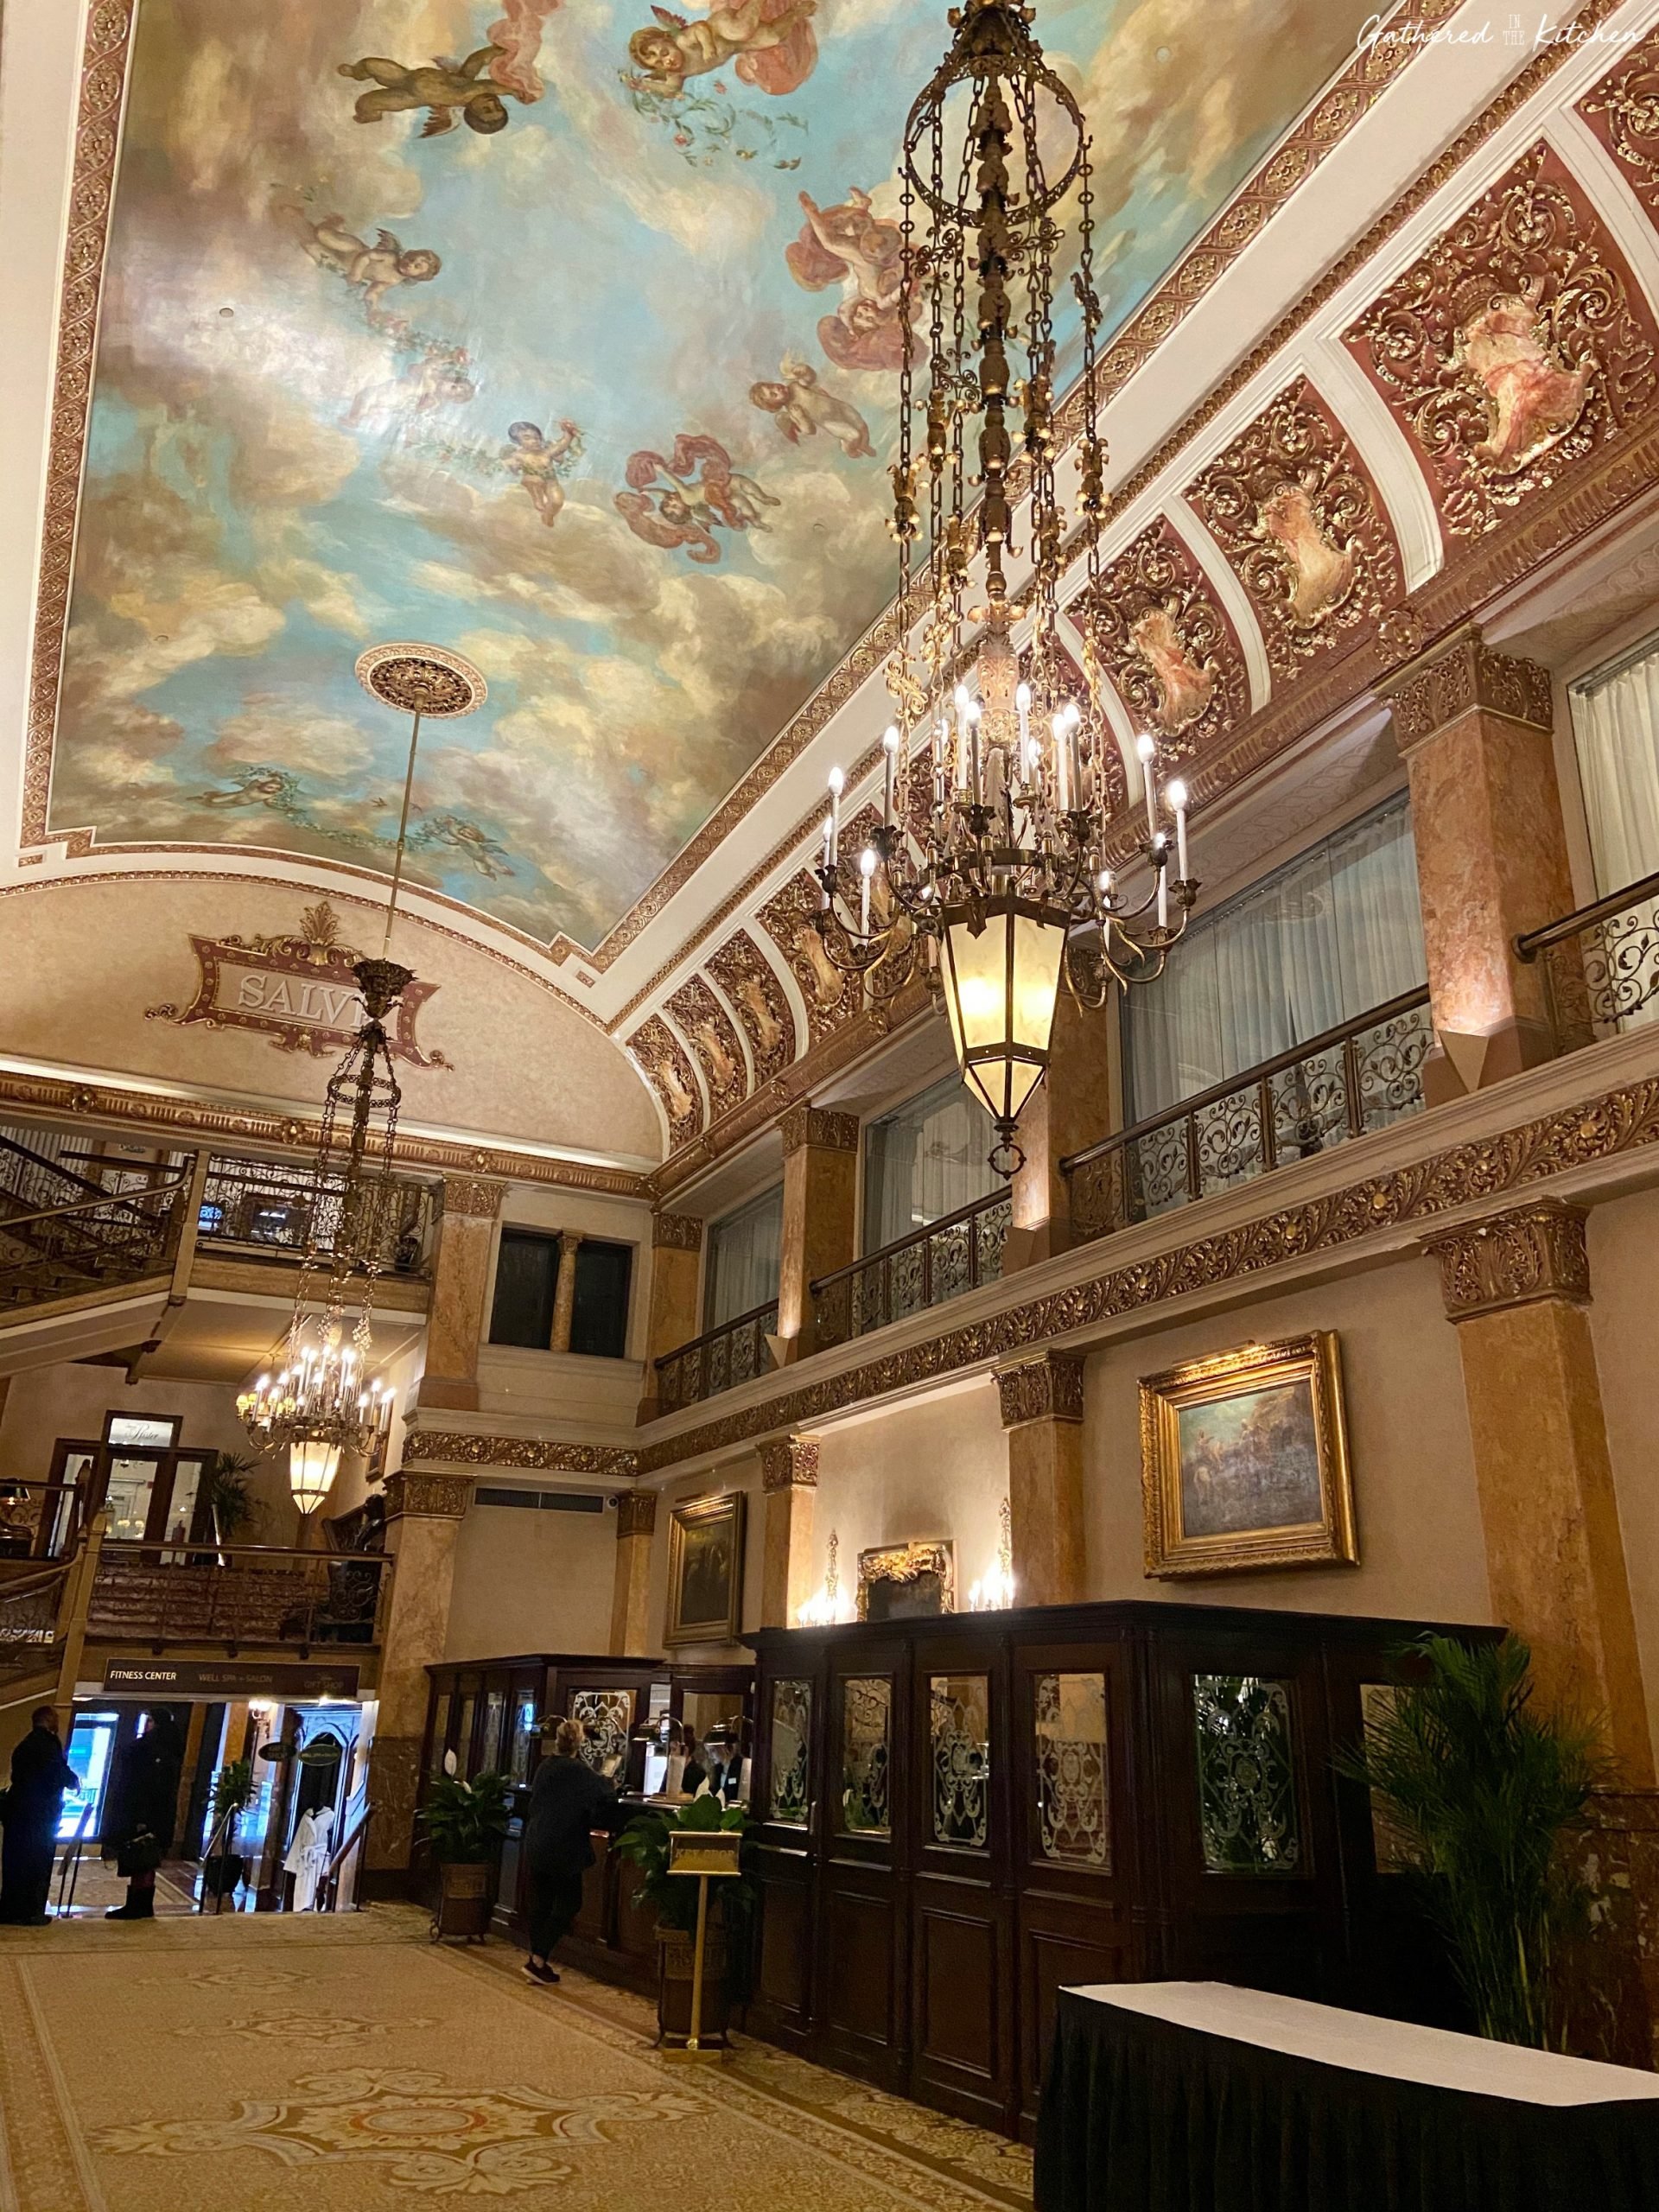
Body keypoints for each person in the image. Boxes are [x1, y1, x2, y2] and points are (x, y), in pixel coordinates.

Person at [520, 1719, 620, 1986]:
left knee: (542, 1903)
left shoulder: (545, 1766)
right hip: (562, 1847)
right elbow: (605, 1791)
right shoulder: (578, 1771)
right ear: (580, 1744)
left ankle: (536, 1957)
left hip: (537, 1841)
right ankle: (538, 1958)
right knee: (570, 1902)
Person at [101, 1711, 185, 1921]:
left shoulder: (152, 1751)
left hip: (146, 1814)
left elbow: (146, 1786)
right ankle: (139, 1905)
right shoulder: (169, 1748)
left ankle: (138, 1907)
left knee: (143, 1857)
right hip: (156, 1814)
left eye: (149, 1721)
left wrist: (141, 1817)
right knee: (145, 1858)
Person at [0, 1707, 78, 1924]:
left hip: (18, 1812)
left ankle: (10, 1909)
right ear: (49, 1720)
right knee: (35, 1864)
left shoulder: (24, 1744)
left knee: (15, 1863)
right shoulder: (49, 1745)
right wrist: (73, 1781)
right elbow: (57, 1772)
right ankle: (29, 1912)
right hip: (39, 1816)